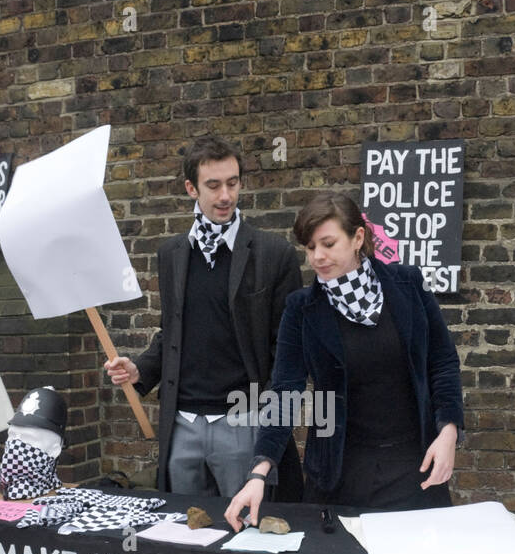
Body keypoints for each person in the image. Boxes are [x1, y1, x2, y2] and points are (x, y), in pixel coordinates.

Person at [225, 191, 463, 529]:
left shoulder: (407, 286)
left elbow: (442, 362)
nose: (317, 257)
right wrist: (259, 471)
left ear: (358, 238)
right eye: (310, 247)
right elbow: (285, 392)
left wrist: (449, 431)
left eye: (328, 243)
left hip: (415, 467)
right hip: (340, 474)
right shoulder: (301, 309)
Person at [103, 136, 304, 500]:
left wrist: (270, 425)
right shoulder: (172, 254)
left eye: (232, 183)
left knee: (246, 538)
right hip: (181, 426)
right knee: (183, 535)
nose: (225, 195)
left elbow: (286, 352)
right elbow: (172, 332)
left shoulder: (274, 254)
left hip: (243, 422)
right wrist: (141, 370)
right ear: (191, 188)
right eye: (213, 185)